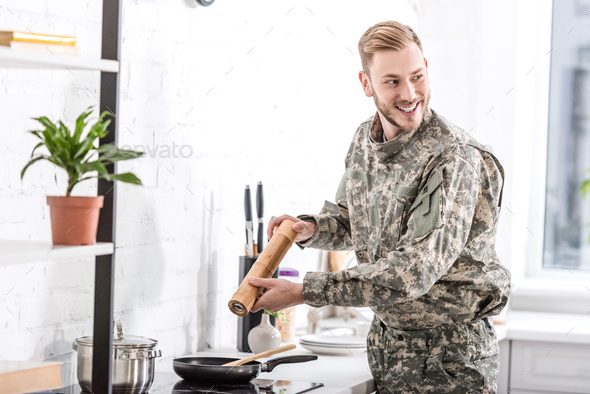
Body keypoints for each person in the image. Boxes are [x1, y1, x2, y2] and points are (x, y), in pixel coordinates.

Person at [249, 20, 510, 394]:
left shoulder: (454, 159)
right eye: (392, 82)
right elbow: (354, 219)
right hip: (388, 349)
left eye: (417, 76)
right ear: (366, 83)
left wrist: (304, 292)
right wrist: (310, 228)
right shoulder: (364, 141)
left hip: (450, 359)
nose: (410, 93)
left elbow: (414, 271)